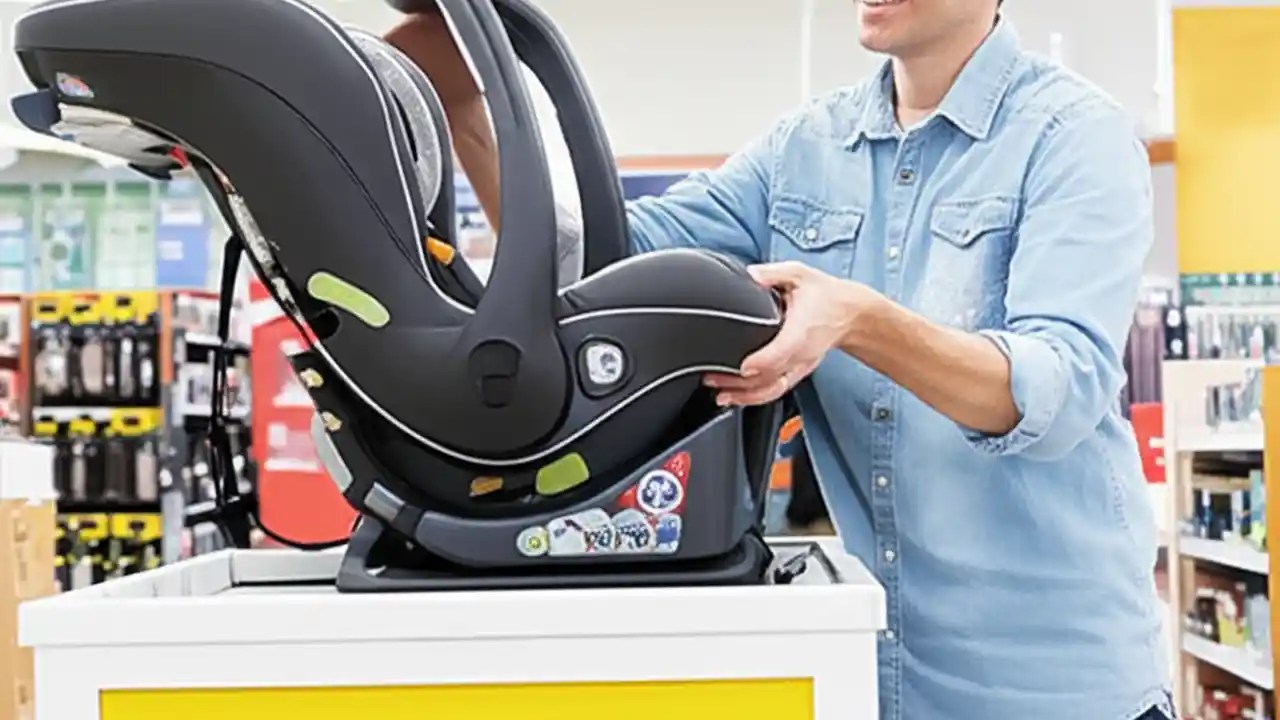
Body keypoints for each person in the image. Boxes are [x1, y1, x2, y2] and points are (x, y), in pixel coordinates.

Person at [387, 1, 1172, 718]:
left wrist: (860, 321)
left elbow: (1059, 388)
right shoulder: (804, 149)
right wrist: (470, 121)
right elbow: (597, 263)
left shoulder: (1073, 137)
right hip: (879, 680)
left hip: (1058, 689)